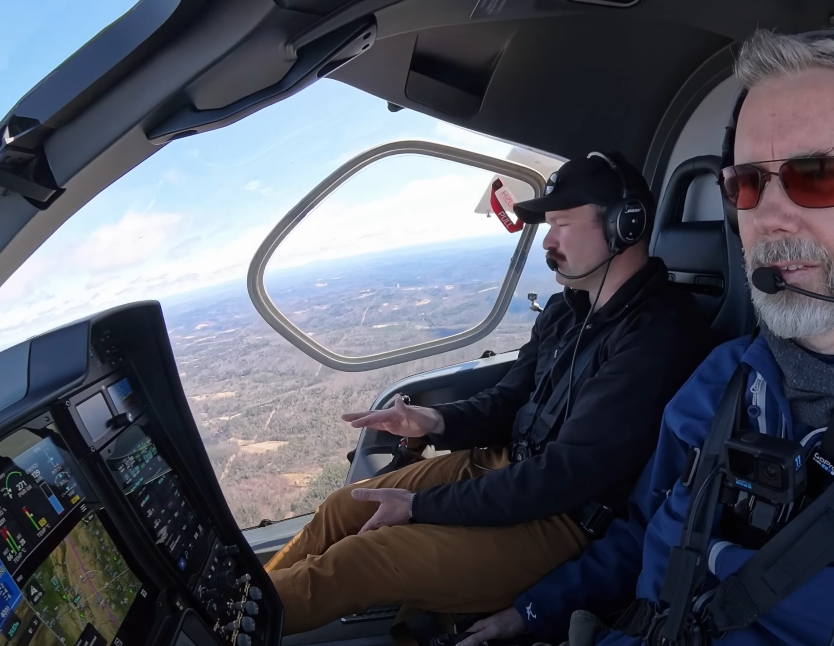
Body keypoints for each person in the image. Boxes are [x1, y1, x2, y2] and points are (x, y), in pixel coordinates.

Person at [461, 29, 834, 646]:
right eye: (748, 184)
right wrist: (536, 611)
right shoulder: (721, 382)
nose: (771, 217)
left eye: (820, 176)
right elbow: (645, 529)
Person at [263, 152, 715, 635]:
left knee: (360, 559)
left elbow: (564, 477)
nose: (549, 240)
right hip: (509, 469)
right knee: (344, 506)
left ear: (626, 226)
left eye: (561, 222)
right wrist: (433, 422)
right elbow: (508, 399)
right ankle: (241, 592)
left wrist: (418, 508)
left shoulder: (658, 335)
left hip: (560, 519)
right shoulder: (568, 310)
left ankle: (217, 627)